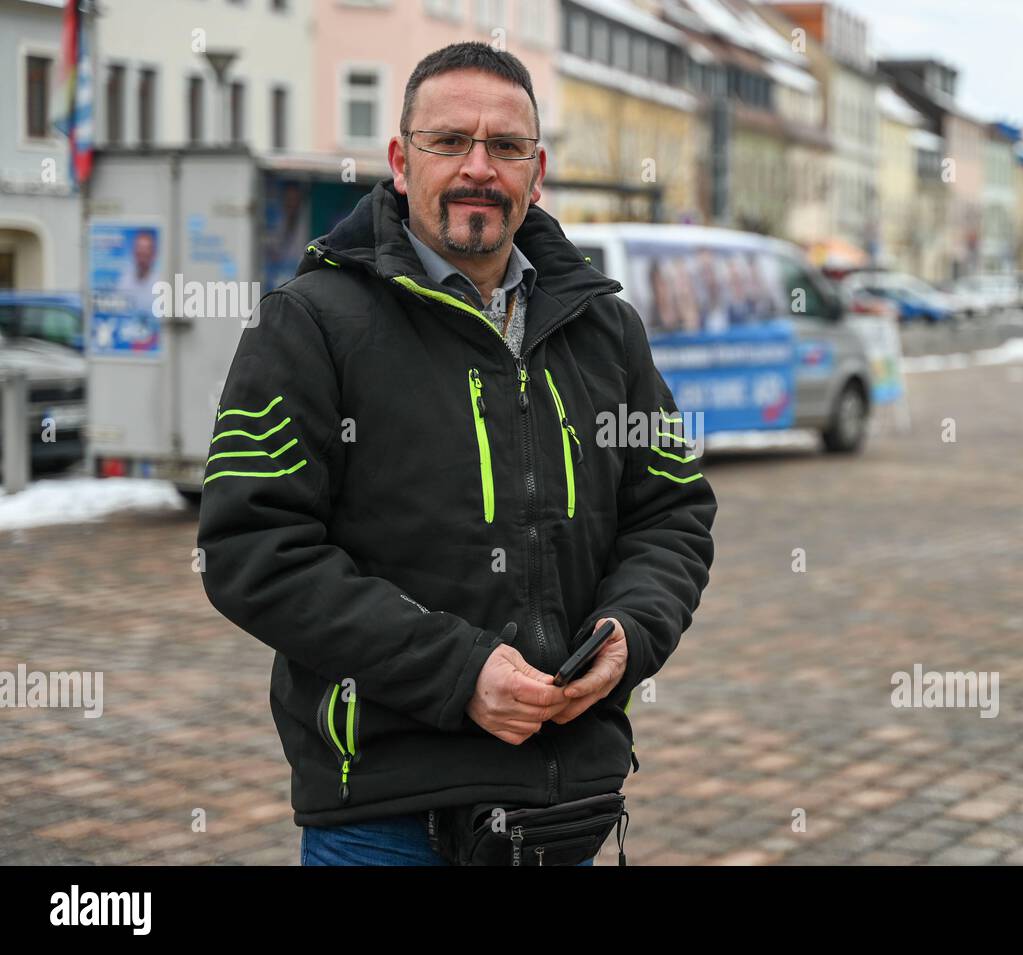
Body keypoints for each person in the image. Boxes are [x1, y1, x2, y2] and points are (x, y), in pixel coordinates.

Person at [196, 42, 717, 865]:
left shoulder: (604, 329)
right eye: (449, 142)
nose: (479, 167)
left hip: (561, 804)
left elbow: (671, 509)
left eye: (505, 147)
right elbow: (251, 549)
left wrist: (630, 632)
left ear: (536, 173)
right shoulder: (310, 323)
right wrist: (459, 672)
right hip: (385, 813)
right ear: (402, 162)